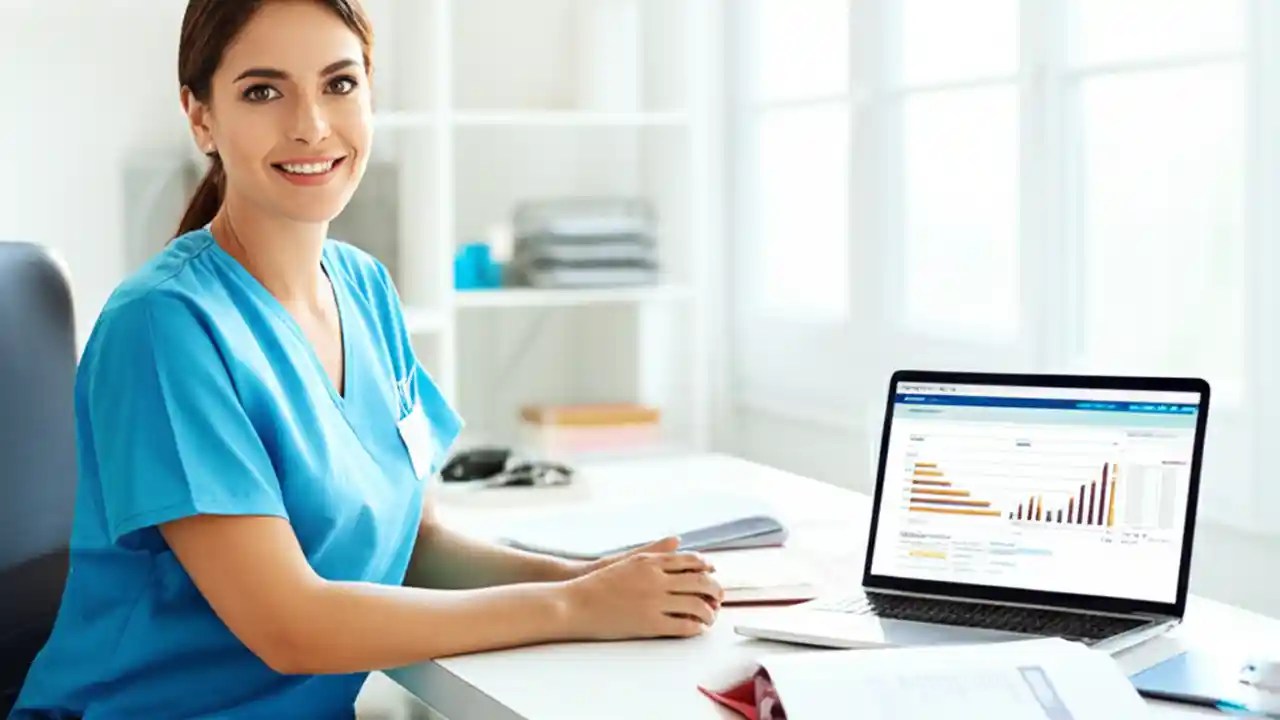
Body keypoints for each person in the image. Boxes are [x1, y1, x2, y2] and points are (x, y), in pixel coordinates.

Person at [11, 1, 722, 717]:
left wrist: (586, 577)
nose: (312, 124)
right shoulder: (163, 325)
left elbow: (418, 547)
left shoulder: (364, 288)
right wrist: (572, 607)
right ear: (201, 117)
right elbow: (290, 626)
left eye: (339, 84)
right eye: (264, 91)